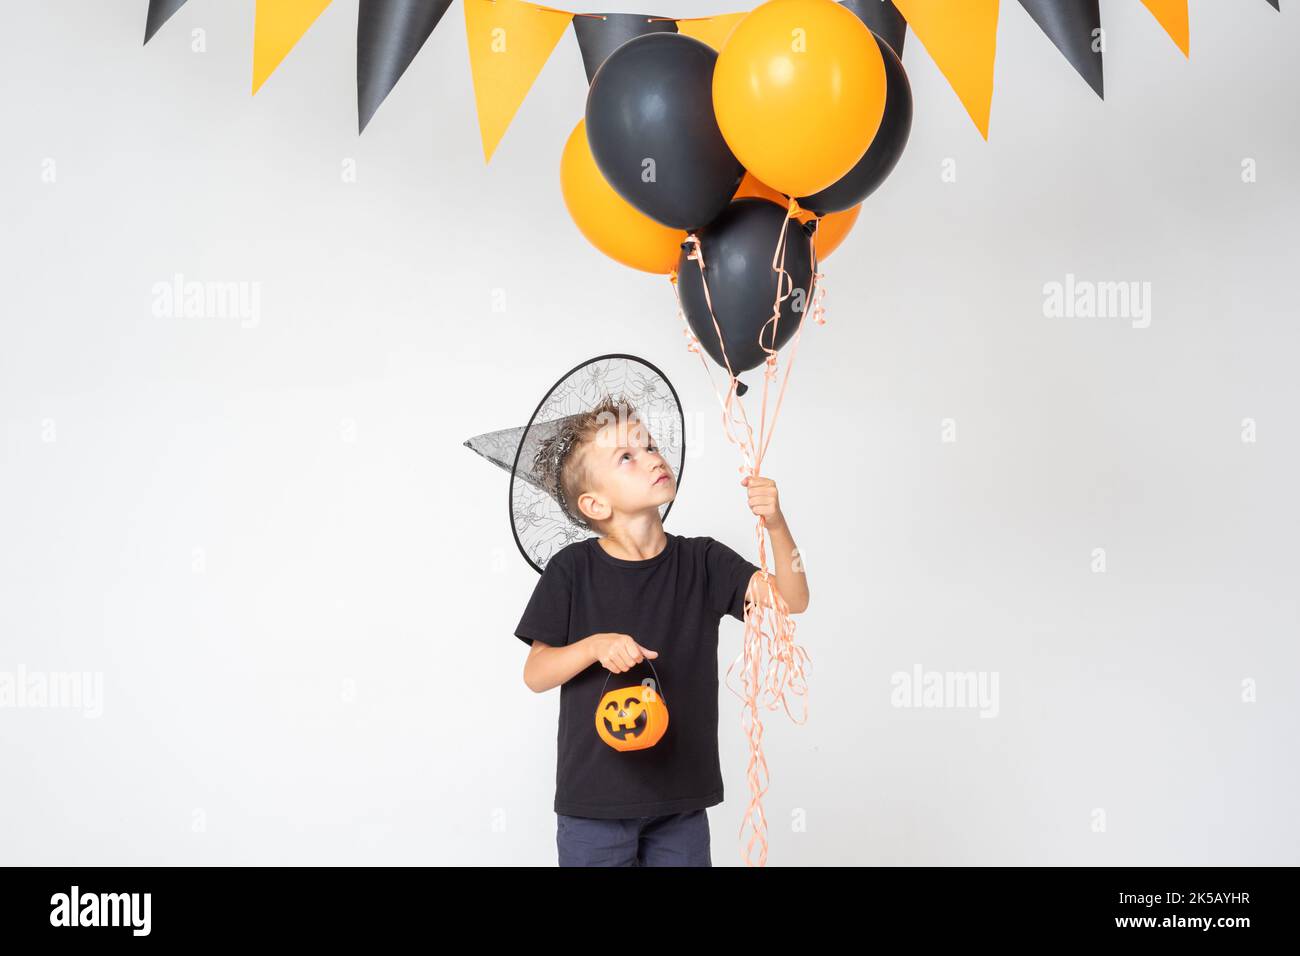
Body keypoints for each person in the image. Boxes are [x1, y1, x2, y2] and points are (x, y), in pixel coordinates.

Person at [514, 394, 810, 866]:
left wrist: (775, 523)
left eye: (649, 446)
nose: (652, 457)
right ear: (595, 503)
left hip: (681, 800)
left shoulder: (703, 561)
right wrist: (594, 646)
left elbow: (791, 600)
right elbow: (536, 673)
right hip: (595, 805)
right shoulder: (571, 570)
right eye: (626, 457)